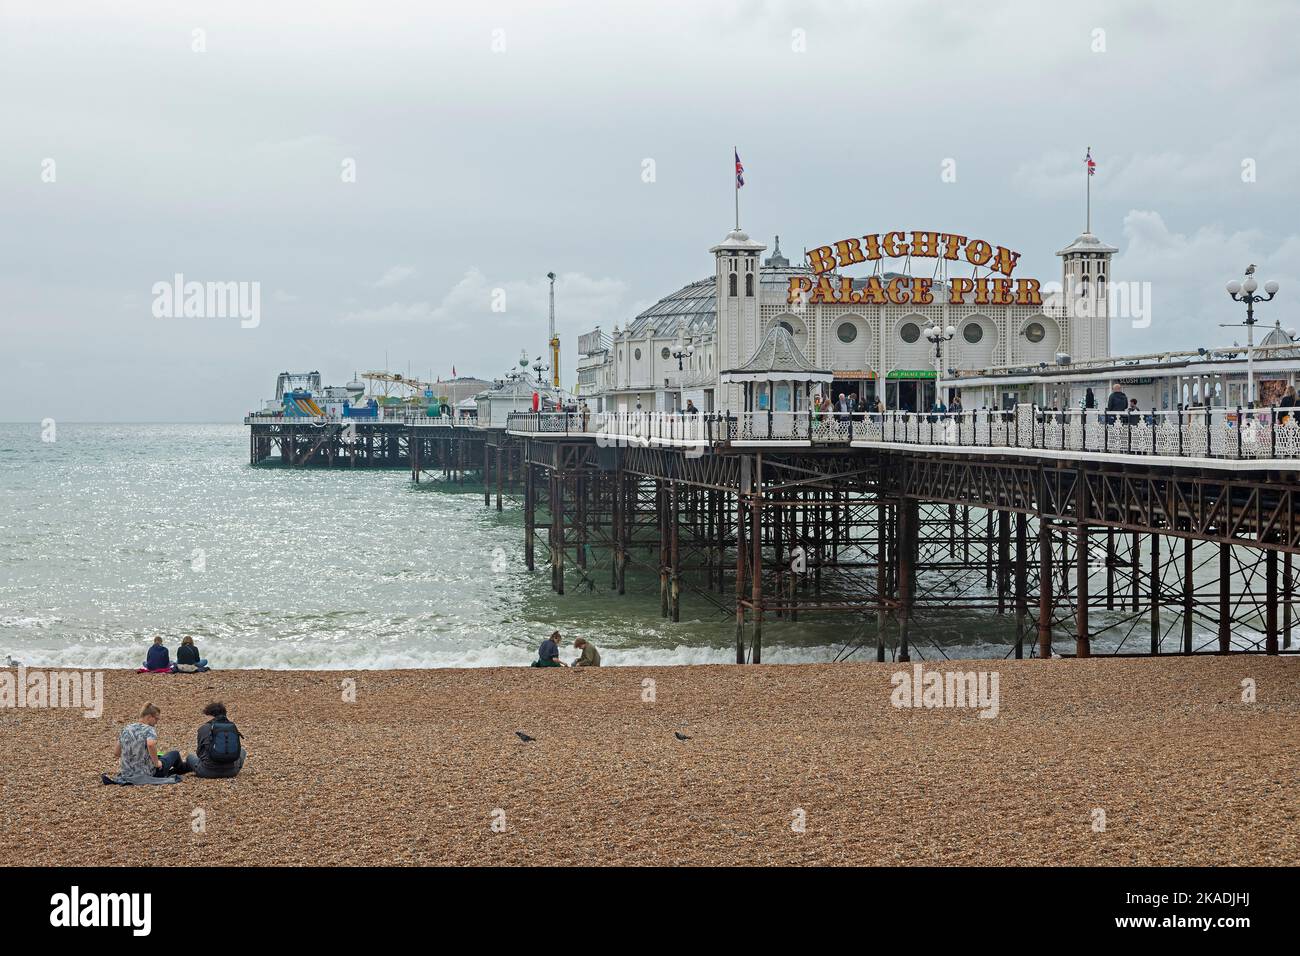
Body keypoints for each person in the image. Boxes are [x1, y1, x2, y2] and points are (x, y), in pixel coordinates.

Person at [103, 702, 184, 785]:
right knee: (175, 753)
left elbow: (116, 753)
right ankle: (183, 768)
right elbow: (150, 744)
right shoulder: (149, 729)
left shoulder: (126, 729)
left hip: (126, 774)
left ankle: (180, 768)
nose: (157, 722)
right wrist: (157, 763)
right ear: (149, 717)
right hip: (148, 774)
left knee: (159, 756)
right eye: (156, 719)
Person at [185, 702, 246, 778]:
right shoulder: (232, 727)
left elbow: (199, 753)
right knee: (243, 751)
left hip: (207, 772)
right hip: (232, 772)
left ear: (211, 715)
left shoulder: (204, 728)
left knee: (189, 757)